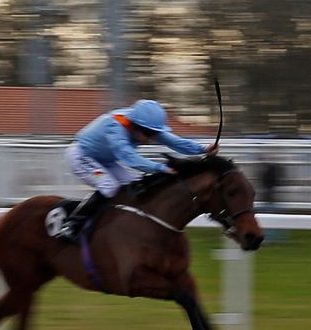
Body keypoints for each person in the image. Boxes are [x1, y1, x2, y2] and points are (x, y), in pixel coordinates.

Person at [54, 99, 216, 242]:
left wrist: (203, 149)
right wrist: (159, 168)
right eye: (147, 133)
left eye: (154, 133)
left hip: (106, 161)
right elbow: (129, 158)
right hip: (81, 155)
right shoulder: (115, 127)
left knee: (136, 184)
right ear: (135, 125)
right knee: (109, 186)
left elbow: (175, 142)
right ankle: (72, 224)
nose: (150, 138)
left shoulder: (144, 124)